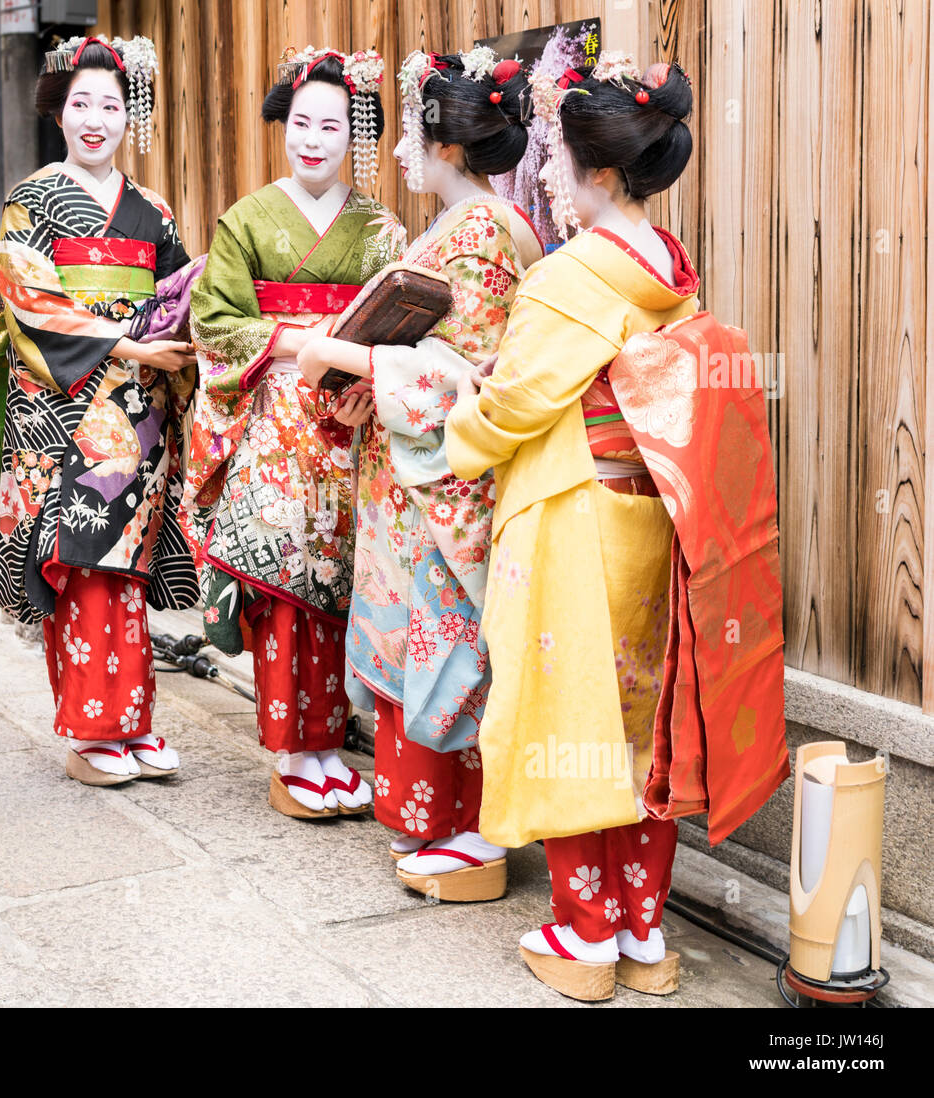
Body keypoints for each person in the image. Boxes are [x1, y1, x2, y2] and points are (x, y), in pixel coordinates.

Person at [445, 54, 786, 999]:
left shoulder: (567, 280)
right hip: (654, 519)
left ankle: (583, 933)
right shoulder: (670, 273)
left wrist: (457, 422)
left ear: (600, 172)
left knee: (568, 719)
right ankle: (642, 931)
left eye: (554, 159)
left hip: (574, 518)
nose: (544, 175)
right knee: (642, 729)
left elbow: (514, 405)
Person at [298, 48, 541, 897]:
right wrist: (367, 380)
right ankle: (430, 818)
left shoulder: (482, 232)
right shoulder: (467, 227)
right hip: (408, 474)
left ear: (446, 146)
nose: (400, 149)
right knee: (419, 641)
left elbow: (466, 368)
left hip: (442, 482)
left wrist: (344, 358)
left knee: (444, 645)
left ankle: (461, 826)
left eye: (412, 132)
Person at [181, 47, 405, 820]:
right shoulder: (247, 218)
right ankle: (288, 753)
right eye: (301, 123)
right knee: (283, 588)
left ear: (357, 134)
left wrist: (363, 374)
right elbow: (215, 324)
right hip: (275, 416)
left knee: (340, 588)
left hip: (351, 419)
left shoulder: (380, 228)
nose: (313, 139)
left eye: (332, 126)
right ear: (284, 127)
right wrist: (304, 342)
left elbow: (407, 323)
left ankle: (326, 745)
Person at [0, 36, 199, 787]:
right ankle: (89, 731)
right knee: (78, 561)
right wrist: (130, 346)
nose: (96, 119)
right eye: (81, 104)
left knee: (126, 569)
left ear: (128, 113)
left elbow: (178, 300)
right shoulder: (33, 200)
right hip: (62, 407)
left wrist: (178, 337)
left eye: (111, 104)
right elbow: (29, 302)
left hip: (137, 411)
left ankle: (134, 720)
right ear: (59, 111)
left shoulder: (153, 210)